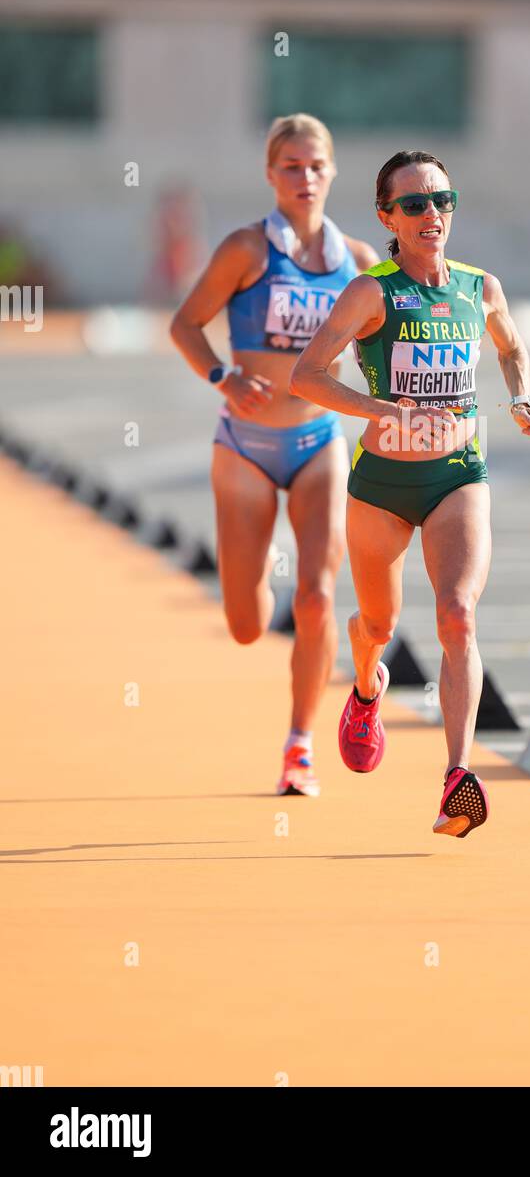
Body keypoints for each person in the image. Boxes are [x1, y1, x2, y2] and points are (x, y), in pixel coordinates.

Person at [291, 150, 530, 837]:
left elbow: (510, 345)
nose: (432, 215)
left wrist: (522, 398)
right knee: (376, 624)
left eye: (442, 201)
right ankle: (366, 683)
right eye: (414, 205)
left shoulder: (479, 286)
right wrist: (385, 412)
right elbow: (308, 376)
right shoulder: (371, 293)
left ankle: (457, 779)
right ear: (387, 217)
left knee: (457, 615)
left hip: (456, 474)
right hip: (381, 486)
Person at [169, 114, 378, 796]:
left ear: (333, 172)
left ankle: (300, 745)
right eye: (291, 165)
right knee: (245, 626)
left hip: (319, 443)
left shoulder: (358, 258)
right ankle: (249, 587)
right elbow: (186, 324)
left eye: (316, 165)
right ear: (270, 174)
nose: (305, 177)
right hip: (246, 450)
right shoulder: (246, 250)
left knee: (318, 598)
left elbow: (389, 343)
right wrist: (222, 377)